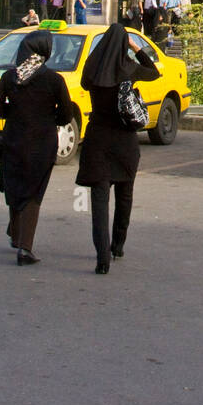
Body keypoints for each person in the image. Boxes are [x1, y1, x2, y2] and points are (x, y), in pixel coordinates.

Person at [76, 24, 160, 274]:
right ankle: (118, 245)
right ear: (124, 44)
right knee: (125, 194)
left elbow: (84, 85)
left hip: (97, 139)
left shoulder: (92, 67)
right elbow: (153, 72)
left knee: (99, 201)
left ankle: (102, 257)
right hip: (125, 140)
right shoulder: (128, 67)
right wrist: (137, 48)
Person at [0, 30, 73, 266]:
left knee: (15, 188)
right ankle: (25, 247)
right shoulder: (54, 80)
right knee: (34, 193)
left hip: (14, 140)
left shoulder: (9, 77)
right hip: (42, 144)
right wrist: (48, 117)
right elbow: (66, 114)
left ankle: (16, 236)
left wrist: (15, 112)